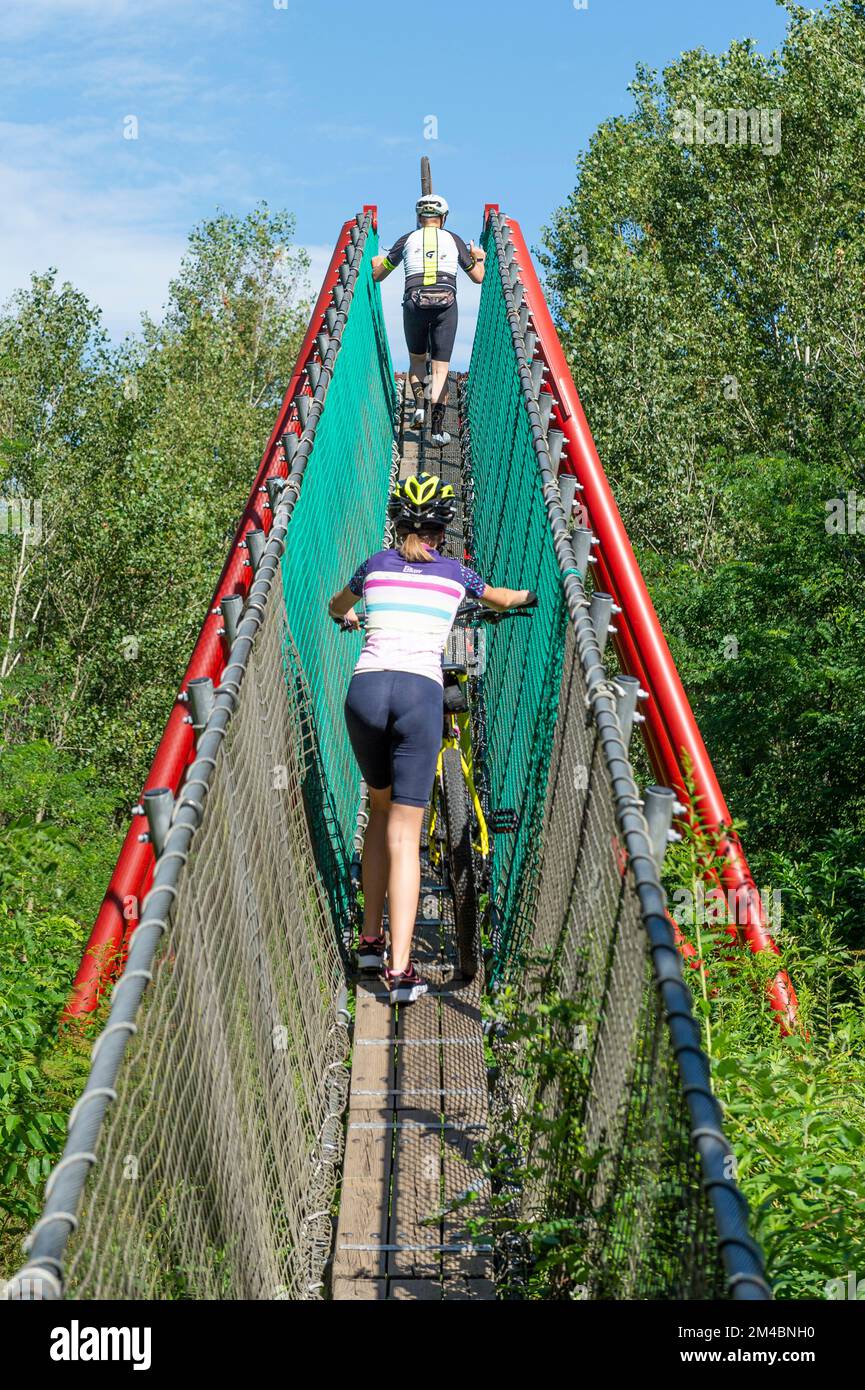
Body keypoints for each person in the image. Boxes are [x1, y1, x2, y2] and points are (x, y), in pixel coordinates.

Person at [327, 472, 537, 1004]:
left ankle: (369, 944)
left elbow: (336, 605)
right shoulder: (455, 573)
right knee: (405, 834)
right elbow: (505, 599)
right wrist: (540, 591)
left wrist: (351, 614)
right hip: (418, 697)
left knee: (378, 811)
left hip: (366, 694)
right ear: (442, 531)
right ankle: (400, 974)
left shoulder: (373, 565)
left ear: (397, 525)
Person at [372, 195, 485, 447]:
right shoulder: (453, 239)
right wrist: (478, 257)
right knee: (440, 370)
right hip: (446, 305)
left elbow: (379, 275)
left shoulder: (407, 239)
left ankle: (420, 404)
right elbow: (478, 277)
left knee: (417, 360)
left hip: (414, 304)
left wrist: (375, 263)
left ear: (418, 218)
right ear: (443, 218)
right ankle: (436, 432)